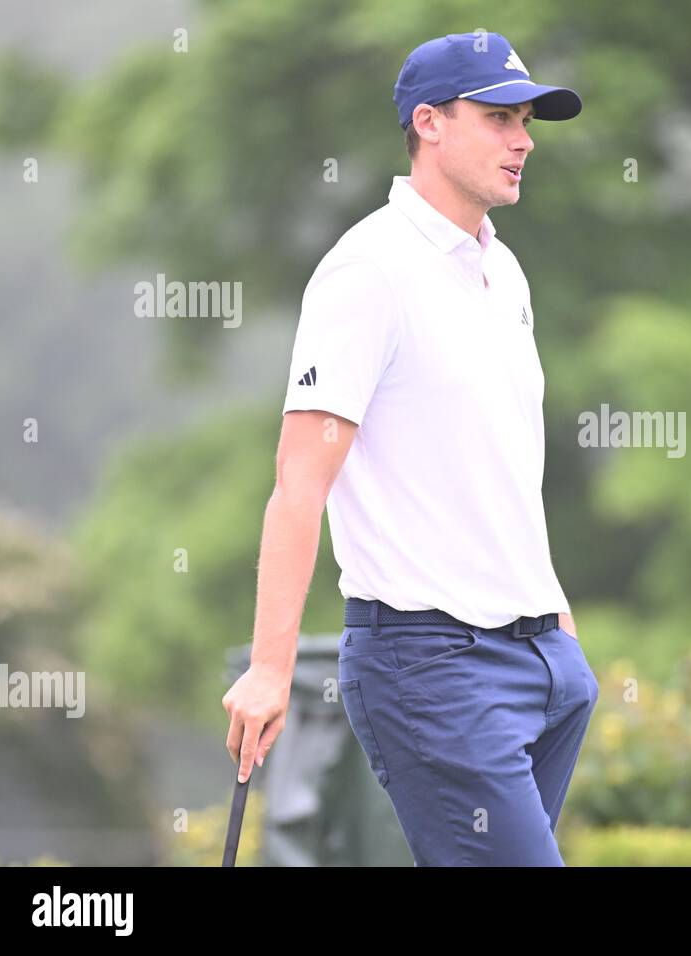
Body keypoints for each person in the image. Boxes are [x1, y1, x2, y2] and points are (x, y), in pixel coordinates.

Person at [221, 31, 597, 866]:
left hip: (544, 661)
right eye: (499, 117)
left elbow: (493, 464)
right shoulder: (368, 273)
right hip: (432, 664)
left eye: (528, 118)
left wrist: (557, 625)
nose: (524, 139)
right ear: (428, 122)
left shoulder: (506, 273)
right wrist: (269, 668)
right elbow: (299, 483)